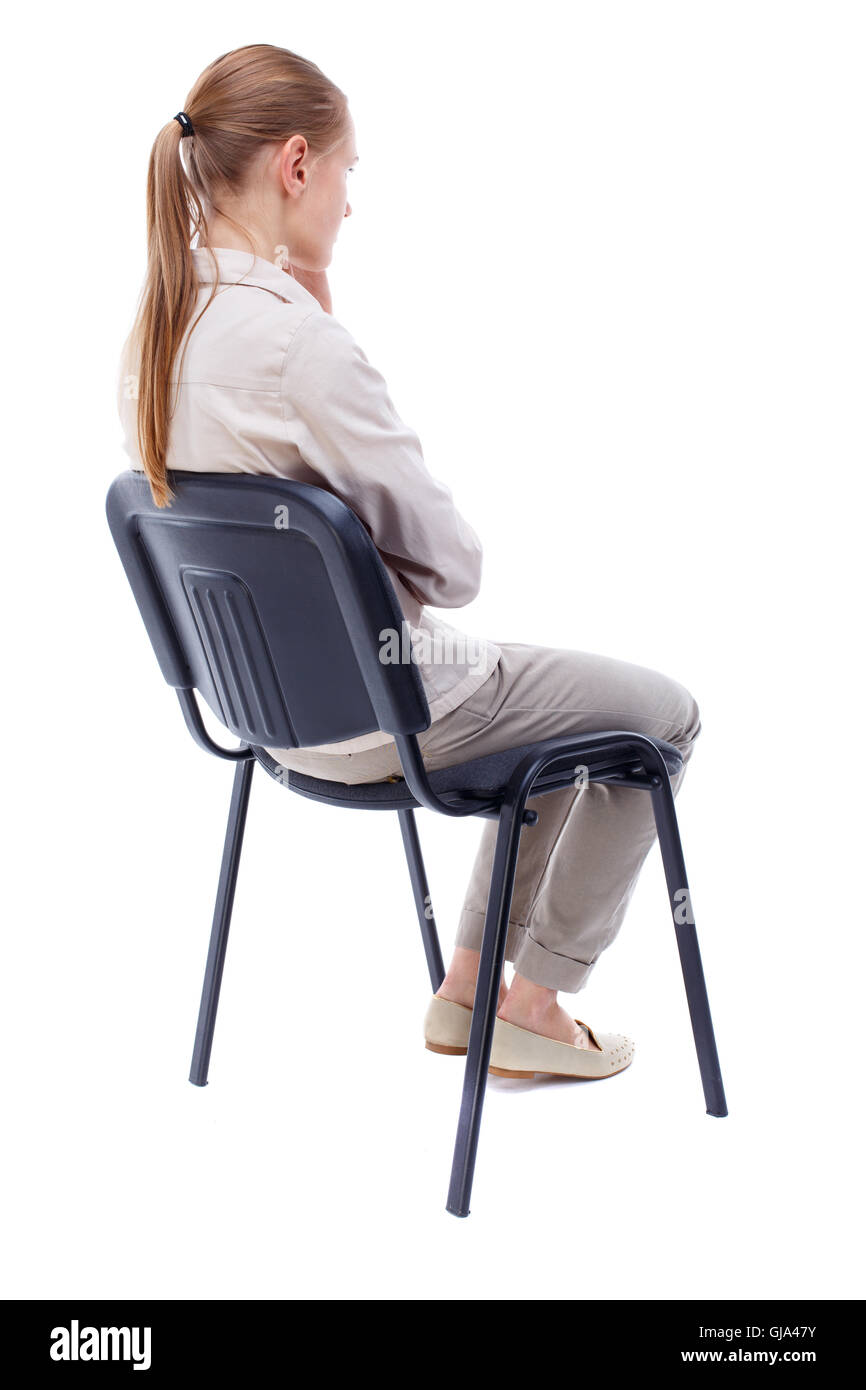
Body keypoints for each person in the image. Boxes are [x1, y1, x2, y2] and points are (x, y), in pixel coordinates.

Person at [118, 42, 701, 1082]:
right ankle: (535, 999)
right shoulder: (296, 346)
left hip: (261, 724)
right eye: (348, 173)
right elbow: (452, 566)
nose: (348, 203)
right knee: (656, 717)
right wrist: (323, 336)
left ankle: (468, 989)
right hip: (388, 714)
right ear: (297, 164)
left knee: (559, 714)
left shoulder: (152, 338)